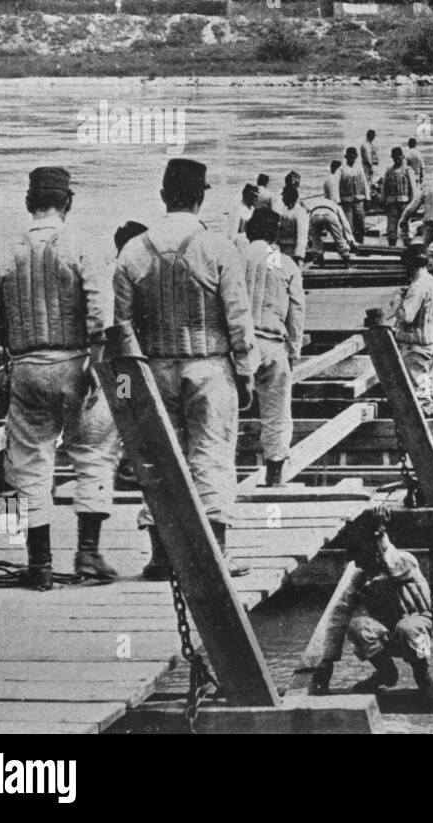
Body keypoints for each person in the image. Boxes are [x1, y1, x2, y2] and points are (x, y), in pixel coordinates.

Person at [0, 167, 119, 588]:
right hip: (78, 363)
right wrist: (97, 363)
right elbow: (100, 308)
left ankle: (40, 565)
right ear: (68, 202)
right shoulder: (83, 244)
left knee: (31, 462)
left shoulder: (3, 250)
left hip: (26, 367)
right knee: (94, 451)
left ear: (28, 203)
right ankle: (88, 552)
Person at [115, 157, 258, 580]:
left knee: (159, 459)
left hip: (153, 369)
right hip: (211, 369)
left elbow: (120, 331)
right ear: (200, 198)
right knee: (211, 456)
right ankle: (217, 555)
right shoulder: (218, 247)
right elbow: (238, 319)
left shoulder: (133, 251)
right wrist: (246, 372)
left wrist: (126, 393)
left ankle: (161, 556)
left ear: (163, 196)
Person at [312, 507, 433, 702]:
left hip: (421, 632)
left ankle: (423, 676)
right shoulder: (361, 578)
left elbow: (394, 566)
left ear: (374, 552)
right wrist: (328, 660)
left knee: (407, 627)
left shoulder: (405, 561)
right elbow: (340, 615)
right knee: (358, 627)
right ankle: (386, 673)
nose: (358, 564)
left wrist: (380, 530)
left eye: (361, 557)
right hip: (391, 633)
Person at [241, 208, 304, 488]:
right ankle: (274, 475)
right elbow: (297, 311)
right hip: (273, 342)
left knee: (225, 408)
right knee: (277, 411)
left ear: (250, 230)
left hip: (240, 345)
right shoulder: (285, 263)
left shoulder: (234, 256)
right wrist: (294, 351)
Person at [386, 244, 433, 416]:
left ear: (411, 265)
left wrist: (397, 300)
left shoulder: (417, 287)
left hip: (416, 345)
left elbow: (407, 316)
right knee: (429, 387)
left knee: (422, 394)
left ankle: (426, 429)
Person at [305, 194, 358, 264]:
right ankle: (346, 259)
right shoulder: (335, 205)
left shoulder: (312, 204)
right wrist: (350, 240)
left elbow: (306, 221)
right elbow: (345, 223)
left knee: (315, 239)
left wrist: (309, 239)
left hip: (315, 216)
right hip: (330, 215)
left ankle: (319, 257)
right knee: (339, 238)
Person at [381, 147, 416, 247]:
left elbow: (413, 187)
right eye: (394, 158)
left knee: (405, 226)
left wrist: (413, 203)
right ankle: (392, 248)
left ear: (402, 157)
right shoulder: (389, 170)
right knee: (391, 228)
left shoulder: (408, 170)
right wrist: (383, 200)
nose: (397, 159)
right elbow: (384, 187)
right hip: (391, 202)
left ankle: (407, 247)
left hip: (405, 202)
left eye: (398, 157)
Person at [338, 146, 369, 243]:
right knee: (348, 223)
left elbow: (364, 184)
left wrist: (367, 199)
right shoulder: (341, 170)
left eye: (354, 157)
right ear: (346, 157)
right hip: (346, 201)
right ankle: (350, 243)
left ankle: (360, 242)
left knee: (360, 222)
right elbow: (337, 186)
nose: (352, 159)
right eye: (350, 157)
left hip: (359, 200)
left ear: (356, 157)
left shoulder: (359, 169)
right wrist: (338, 201)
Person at [275, 185, 309, 265]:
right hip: (282, 248)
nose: (282, 198)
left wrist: (298, 254)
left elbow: (302, 235)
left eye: (284, 196)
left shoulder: (300, 212)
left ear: (289, 197)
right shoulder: (284, 210)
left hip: (293, 250)